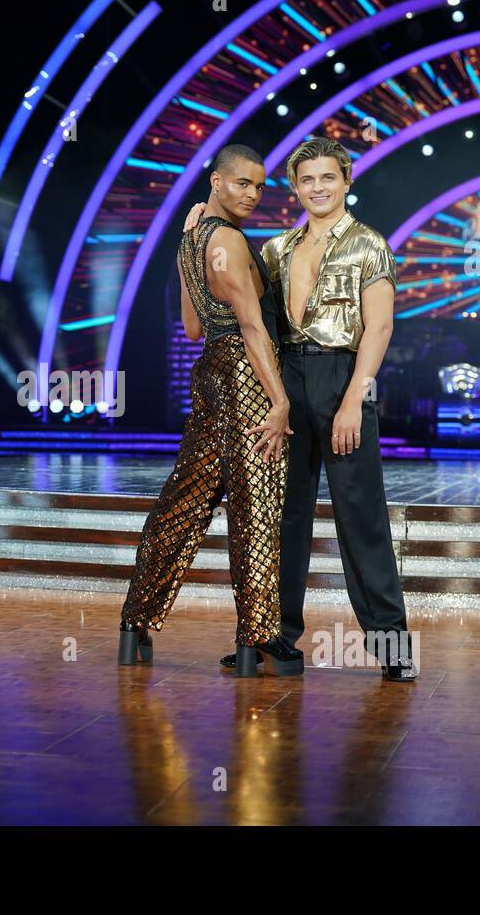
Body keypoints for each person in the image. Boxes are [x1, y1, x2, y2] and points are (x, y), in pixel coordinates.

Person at [184, 137, 417, 681]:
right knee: (281, 518)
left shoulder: (368, 244)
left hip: (343, 380)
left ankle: (393, 648)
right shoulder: (276, 250)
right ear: (295, 187)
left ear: (346, 181)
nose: (317, 188)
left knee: (361, 519)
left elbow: (379, 327)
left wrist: (355, 399)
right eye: (307, 179)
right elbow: (241, 313)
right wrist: (200, 225)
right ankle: (272, 638)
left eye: (327, 178)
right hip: (286, 380)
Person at [118, 143, 301, 677]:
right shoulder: (230, 241)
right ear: (216, 181)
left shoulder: (190, 240)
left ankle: (136, 625)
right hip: (247, 374)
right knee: (257, 509)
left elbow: (193, 328)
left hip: (208, 376)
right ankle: (257, 642)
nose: (251, 193)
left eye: (259, 186)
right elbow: (251, 325)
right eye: (241, 182)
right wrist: (280, 399)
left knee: (184, 500)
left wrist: (186, 259)